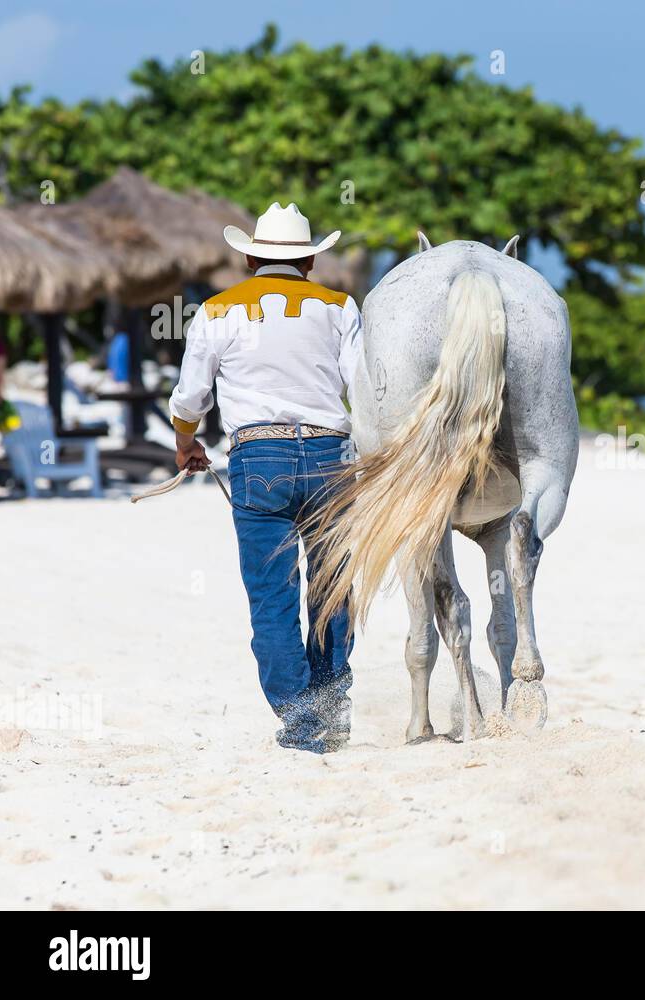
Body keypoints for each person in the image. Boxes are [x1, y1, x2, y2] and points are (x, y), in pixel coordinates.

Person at [169, 202, 361, 753]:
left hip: (259, 462)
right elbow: (365, 386)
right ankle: (332, 701)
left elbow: (190, 399)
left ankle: (303, 722)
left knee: (271, 598)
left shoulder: (217, 309)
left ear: (250, 257)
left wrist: (187, 445)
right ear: (310, 262)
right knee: (333, 591)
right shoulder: (338, 306)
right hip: (331, 458)